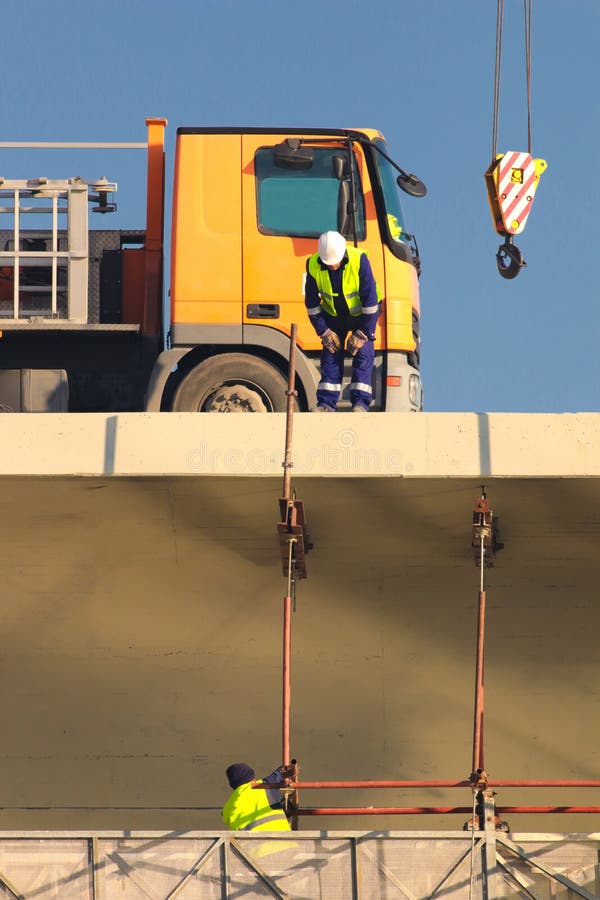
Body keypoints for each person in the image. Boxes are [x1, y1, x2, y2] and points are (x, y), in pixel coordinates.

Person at [304, 231, 381, 412]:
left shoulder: (359, 260)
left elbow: (370, 303)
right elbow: (312, 305)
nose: (332, 266)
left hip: (361, 317)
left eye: (334, 262)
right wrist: (324, 332)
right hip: (334, 317)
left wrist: (362, 333)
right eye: (328, 263)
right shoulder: (313, 265)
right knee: (330, 353)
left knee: (364, 353)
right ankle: (326, 405)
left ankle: (360, 404)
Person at [222, 763, 291, 832]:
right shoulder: (263, 786)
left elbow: (225, 817)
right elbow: (282, 772)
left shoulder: (229, 805)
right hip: (283, 840)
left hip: (248, 843)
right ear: (252, 778)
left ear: (232, 785)